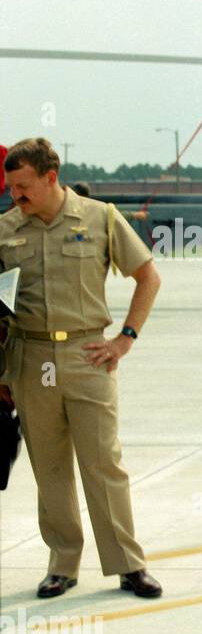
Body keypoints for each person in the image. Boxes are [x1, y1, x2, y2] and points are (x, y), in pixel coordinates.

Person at [0, 138, 163, 599]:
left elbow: (148, 275)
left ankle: (128, 565)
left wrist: (124, 339)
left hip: (88, 356)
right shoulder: (4, 229)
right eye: (11, 188)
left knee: (104, 464)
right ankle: (62, 565)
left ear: (51, 178)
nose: (16, 195)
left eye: (23, 186)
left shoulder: (101, 218)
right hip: (30, 360)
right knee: (49, 469)